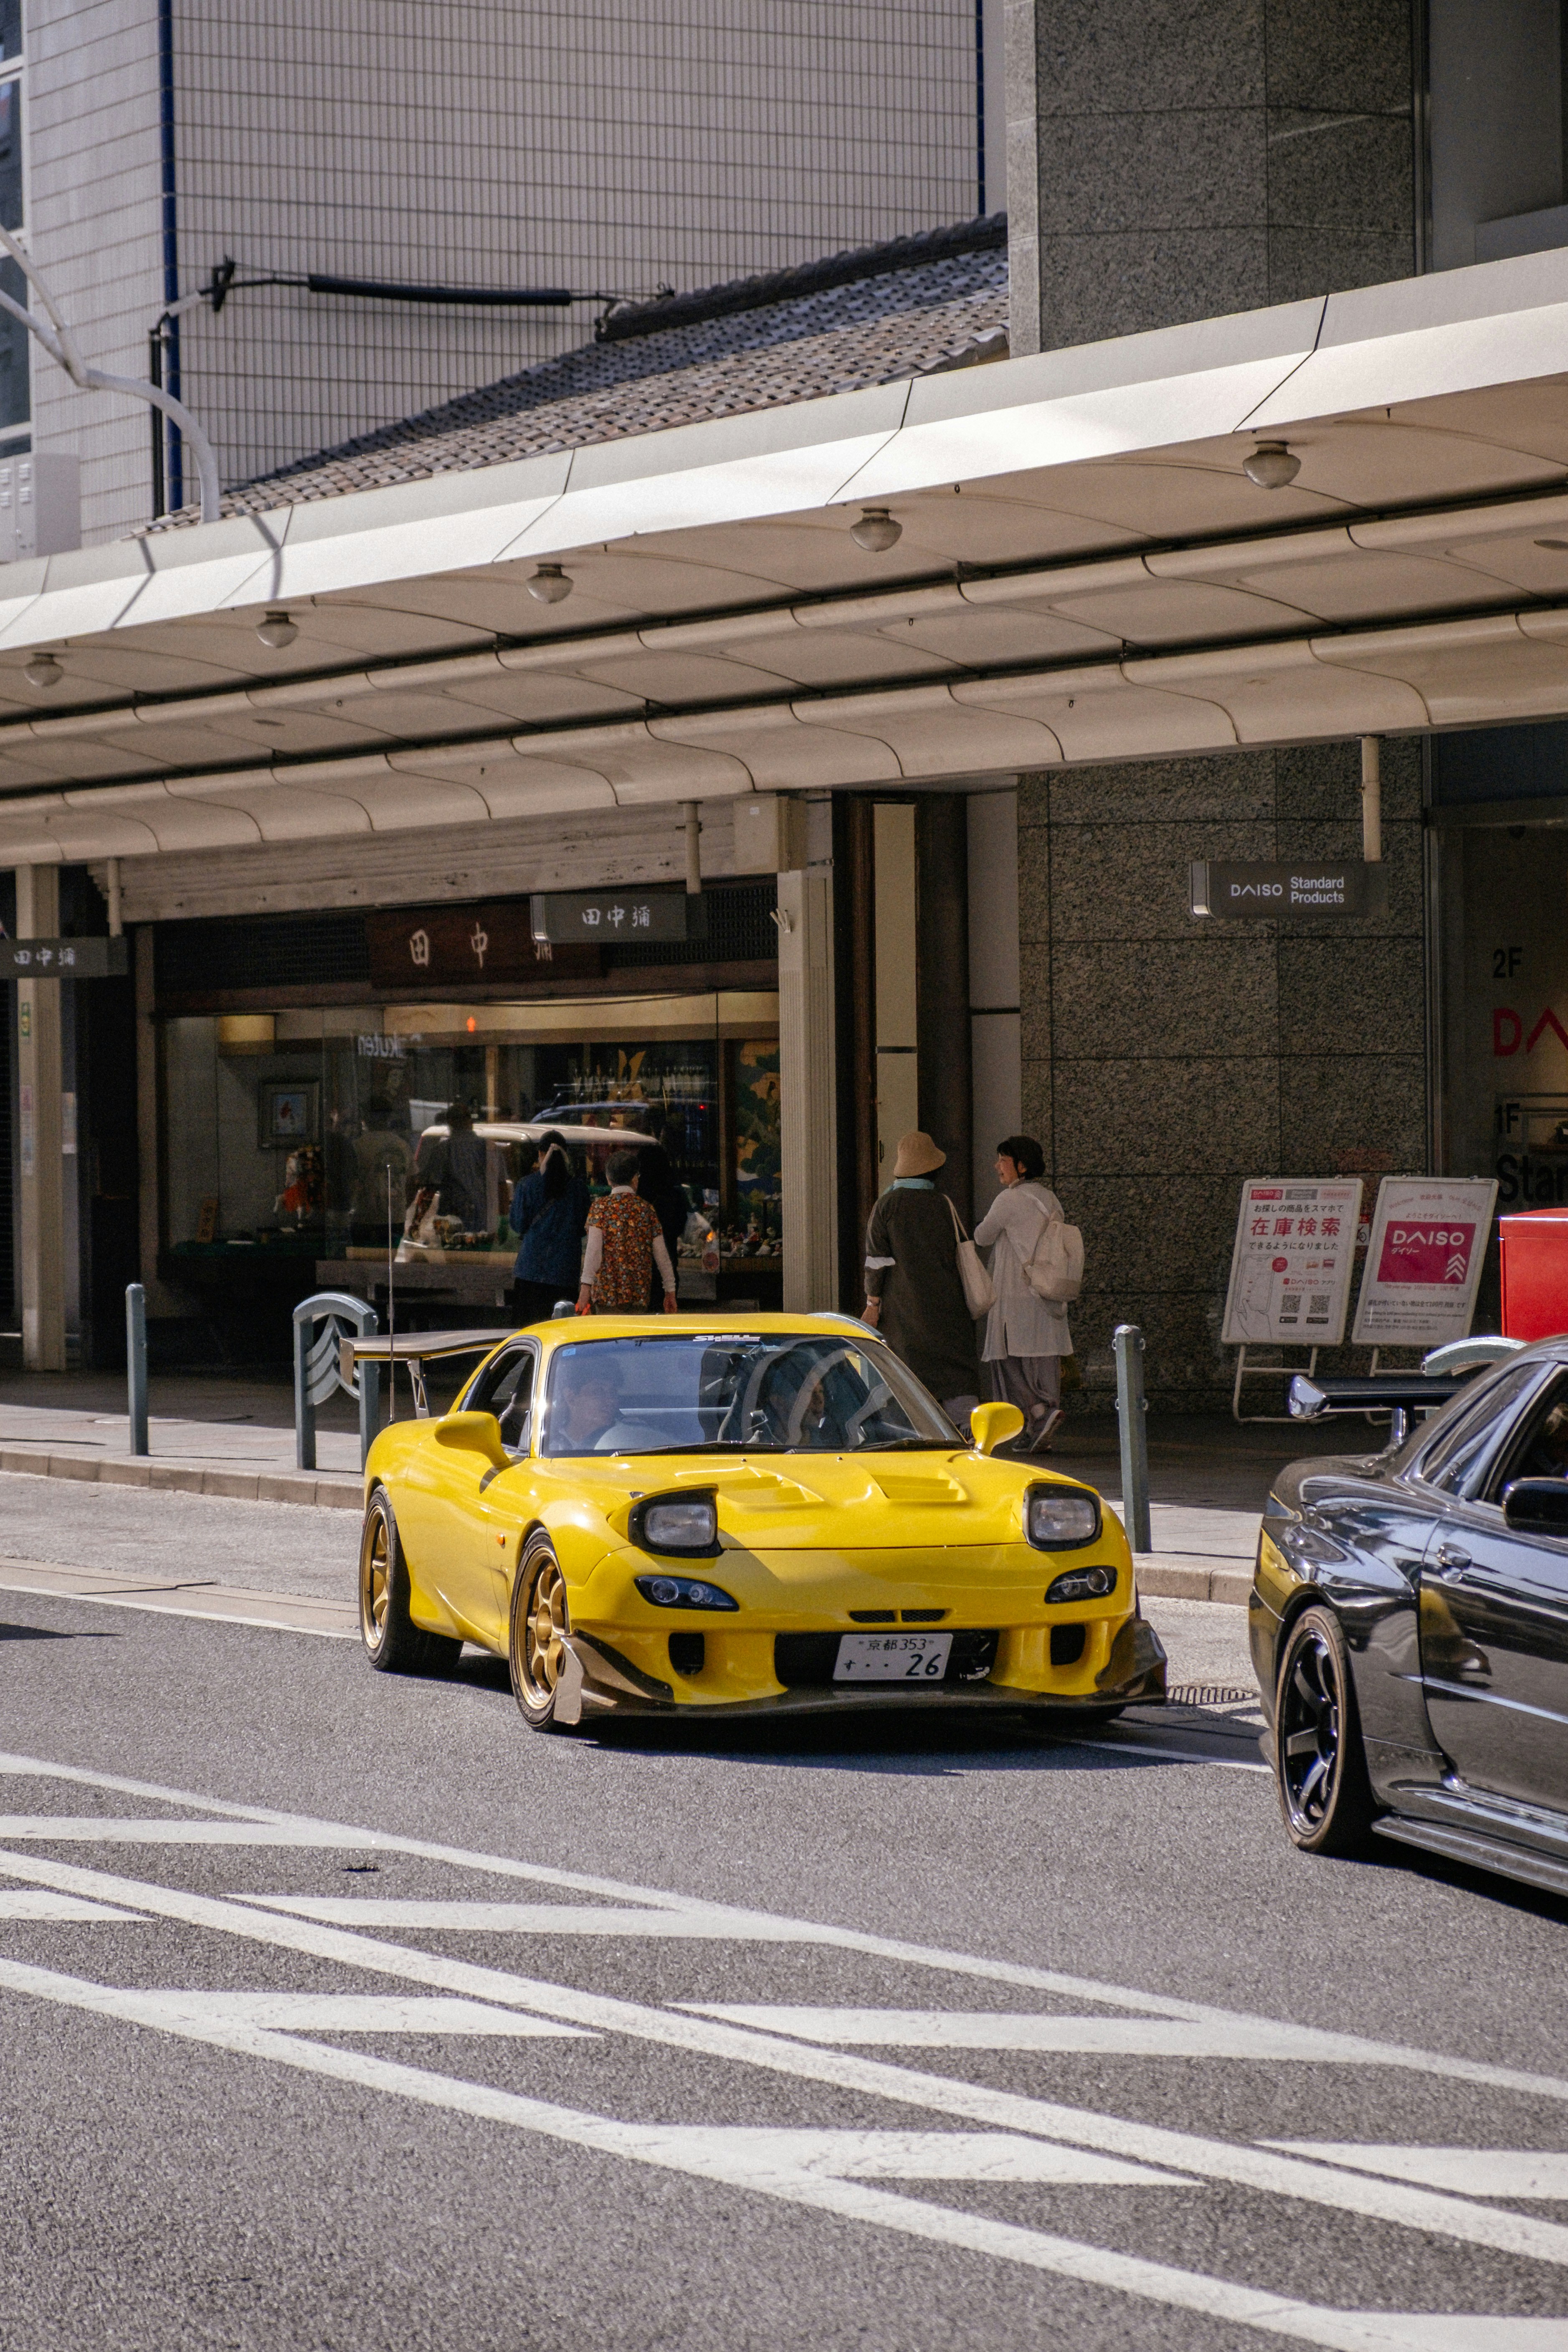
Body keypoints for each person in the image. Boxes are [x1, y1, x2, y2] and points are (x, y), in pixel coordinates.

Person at [861, 1130, 980, 1427]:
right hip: (948, 1304)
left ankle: (912, 1430)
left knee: (907, 1371)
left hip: (904, 1307)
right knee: (954, 1372)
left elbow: (877, 1262)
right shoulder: (943, 1203)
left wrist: (872, 1303)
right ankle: (967, 1430)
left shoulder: (887, 1205)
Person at [973, 1133, 1072, 1454]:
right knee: (1042, 1357)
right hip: (1046, 1290)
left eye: (1003, 1160)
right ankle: (1041, 1420)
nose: (997, 1166)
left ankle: (1037, 1413)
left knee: (1007, 1358)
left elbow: (982, 1236)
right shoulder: (1049, 1198)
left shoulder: (1008, 1200)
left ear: (1021, 1165)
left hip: (1014, 1293)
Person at [577, 1148, 678, 1314]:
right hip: (639, 1296)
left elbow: (593, 1253)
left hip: (606, 1297)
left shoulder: (600, 1209)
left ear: (609, 1180)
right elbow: (662, 1256)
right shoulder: (647, 1210)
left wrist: (585, 1290)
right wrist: (670, 1291)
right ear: (635, 1179)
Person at [510, 1132, 590, 1323]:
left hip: (530, 1272)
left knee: (528, 1330)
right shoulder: (579, 1189)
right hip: (564, 1272)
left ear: (540, 1154)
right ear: (567, 1155)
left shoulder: (527, 1185)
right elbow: (583, 1229)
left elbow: (518, 1225)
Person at [633, 1139, 691, 1313]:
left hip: (639, 1269)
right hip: (668, 1265)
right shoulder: (675, 1195)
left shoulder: (637, 1198)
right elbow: (681, 1227)